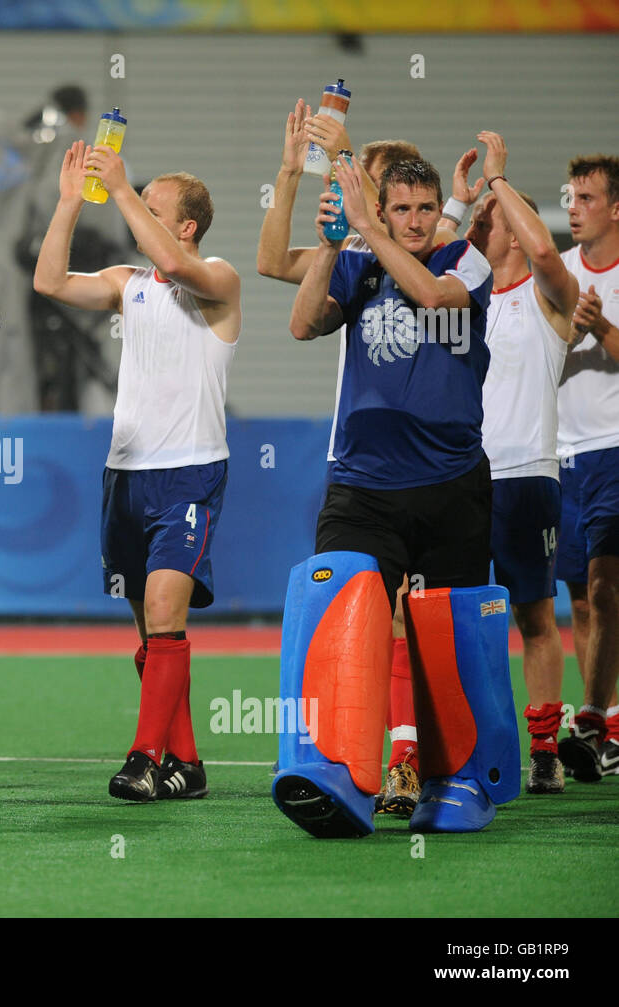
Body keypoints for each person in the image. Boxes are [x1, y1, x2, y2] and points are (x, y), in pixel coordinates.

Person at [277, 156, 515, 837]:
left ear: (437, 209)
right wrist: (329, 245)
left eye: (422, 208)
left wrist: (366, 230)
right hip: (364, 487)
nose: (412, 221)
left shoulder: (465, 261)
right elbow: (302, 323)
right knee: (342, 614)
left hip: (451, 485)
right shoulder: (360, 263)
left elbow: (436, 299)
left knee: (450, 636)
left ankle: (460, 777)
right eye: (399, 209)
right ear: (384, 211)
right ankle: (335, 770)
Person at [33, 140, 241, 802]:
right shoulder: (130, 284)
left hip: (189, 471)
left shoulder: (217, 278)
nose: (134, 213)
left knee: (163, 610)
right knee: (151, 632)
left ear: (185, 225)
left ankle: (144, 757)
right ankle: (188, 761)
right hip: (126, 472)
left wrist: (121, 189)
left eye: (152, 207)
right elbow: (50, 282)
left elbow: (176, 261)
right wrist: (69, 203)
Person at [255, 103, 440, 817]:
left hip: (432, 467)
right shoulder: (354, 263)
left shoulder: (439, 247)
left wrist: (345, 154)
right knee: (363, 609)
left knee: (419, 618)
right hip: (361, 467)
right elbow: (272, 262)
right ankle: (360, 756)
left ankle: (412, 754)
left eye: (364, 186)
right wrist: (289, 169)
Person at [465, 132, 579, 793]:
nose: (489, 224)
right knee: (465, 616)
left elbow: (542, 247)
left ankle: (544, 750)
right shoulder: (469, 298)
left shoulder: (547, 295)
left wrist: (499, 180)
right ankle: (477, 743)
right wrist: (470, 206)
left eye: (496, 218)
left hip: (528, 474)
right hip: (465, 480)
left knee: (534, 614)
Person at [555, 153, 619, 781]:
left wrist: (600, 326)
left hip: (615, 447)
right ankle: (603, 728)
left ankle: (594, 719)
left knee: (606, 586)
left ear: (616, 207)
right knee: (578, 595)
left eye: (586, 198)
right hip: (563, 451)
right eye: (569, 197)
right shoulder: (563, 271)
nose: (572, 207)